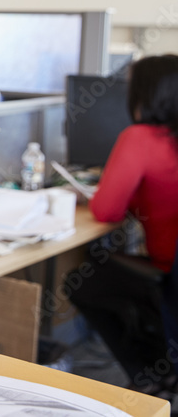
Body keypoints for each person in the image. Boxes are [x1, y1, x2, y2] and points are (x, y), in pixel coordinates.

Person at [70, 54, 178, 392]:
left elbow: (106, 213)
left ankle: (152, 377)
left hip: (168, 271)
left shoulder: (141, 138)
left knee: (83, 281)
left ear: (145, 95)